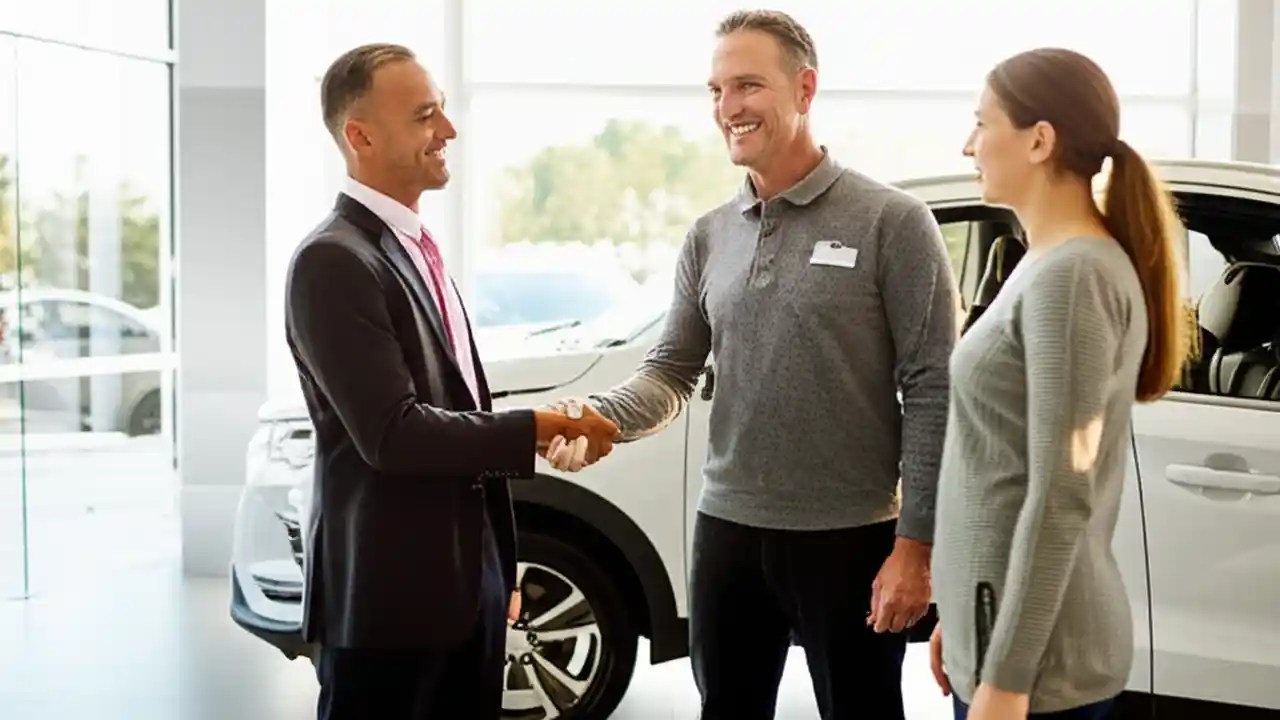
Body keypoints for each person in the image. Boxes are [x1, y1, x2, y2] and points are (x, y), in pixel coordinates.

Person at [543, 10, 959, 720]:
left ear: (805, 88)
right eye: (715, 90)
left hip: (851, 536)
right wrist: (595, 417)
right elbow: (671, 370)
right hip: (727, 531)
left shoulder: (893, 222)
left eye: (747, 85)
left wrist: (914, 547)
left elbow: (931, 387)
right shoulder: (708, 236)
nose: (728, 108)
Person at [285, 43, 619, 720]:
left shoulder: (414, 249)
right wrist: (540, 430)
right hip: (391, 607)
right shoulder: (333, 261)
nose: (449, 131)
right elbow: (394, 434)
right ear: (360, 135)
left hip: (466, 590)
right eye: (426, 115)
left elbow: (459, 409)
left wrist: (499, 572)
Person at [928, 48, 1187, 720]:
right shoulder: (1045, 262)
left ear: (1040, 140)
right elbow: (998, 469)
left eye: (981, 124)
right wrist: (959, 623)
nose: (968, 144)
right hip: (997, 639)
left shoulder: (1073, 280)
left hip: (1037, 676)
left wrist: (1008, 674)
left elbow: (1061, 489)